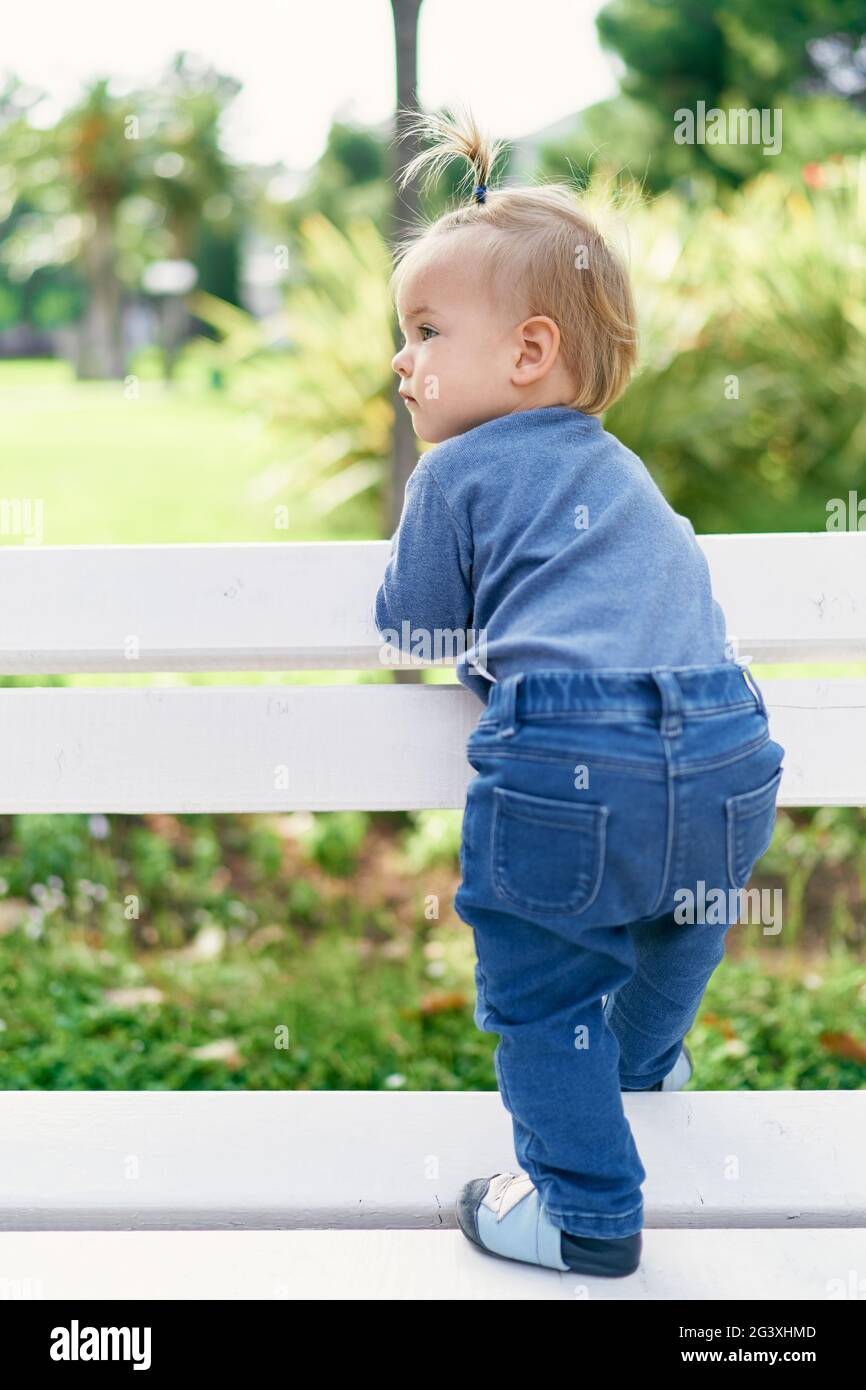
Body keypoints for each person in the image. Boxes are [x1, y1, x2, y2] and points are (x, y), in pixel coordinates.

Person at [374, 105, 785, 1278]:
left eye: (423, 330)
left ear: (526, 353)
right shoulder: (623, 467)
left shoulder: (453, 470)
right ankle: (646, 1064)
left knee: (540, 985)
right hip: (724, 740)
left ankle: (586, 1210)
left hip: (569, 756)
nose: (402, 361)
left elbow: (410, 624)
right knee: (683, 916)